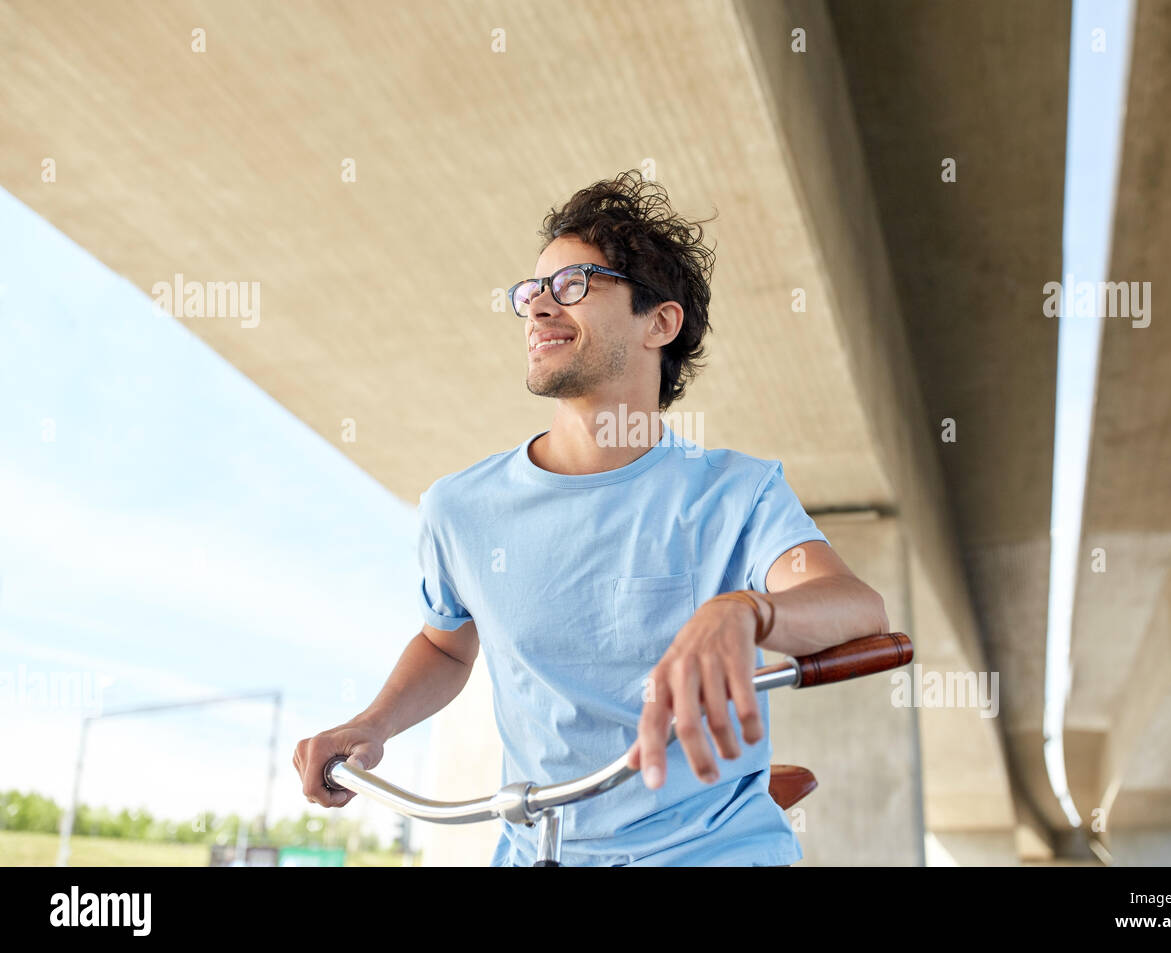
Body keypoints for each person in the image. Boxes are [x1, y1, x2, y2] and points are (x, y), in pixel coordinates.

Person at [293, 170, 890, 866]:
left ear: (658, 322)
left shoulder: (739, 494)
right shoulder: (458, 507)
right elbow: (448, 643)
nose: (540, 307)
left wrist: (746, 610)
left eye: (574, 284)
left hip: (712, 849)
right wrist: (371, 724)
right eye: (532, 291)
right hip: (536, 844)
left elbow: (857, 607)